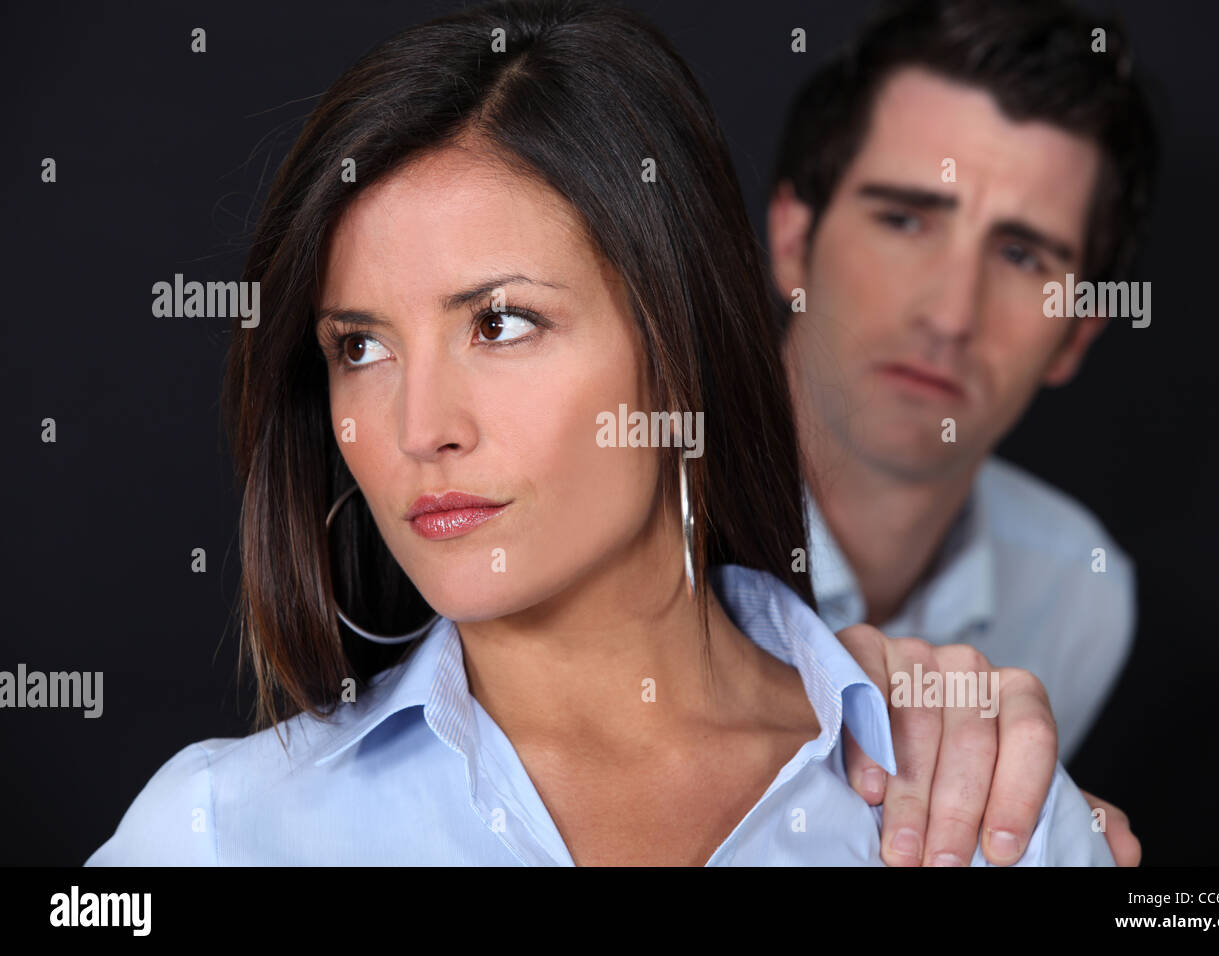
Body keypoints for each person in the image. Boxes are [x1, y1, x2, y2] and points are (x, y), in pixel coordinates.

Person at [85, 0, 1111, 866]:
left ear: (680, 339)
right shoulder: (217, 833)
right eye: (359, 346)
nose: (420, 428)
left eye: (501, 322)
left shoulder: (973, 803)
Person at [767, 0, 1157, 862]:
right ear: (793, 242)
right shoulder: (612, 522)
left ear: (1076, 334)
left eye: (1021, 257)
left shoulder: (1078, 592)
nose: (950, 314)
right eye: (905, 220)